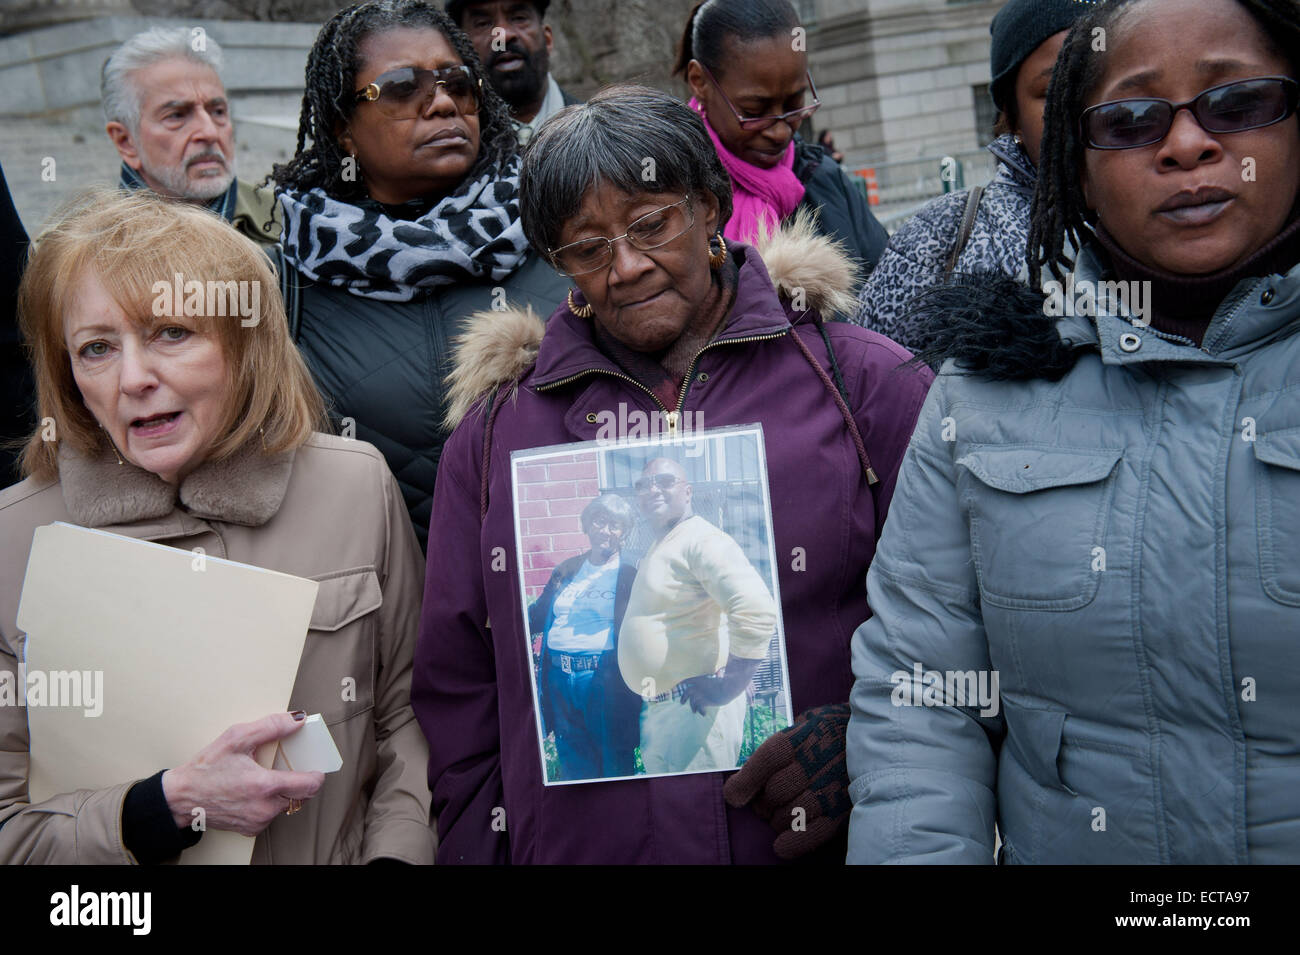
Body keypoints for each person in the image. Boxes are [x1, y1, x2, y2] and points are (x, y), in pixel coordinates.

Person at [412, 85, 933, 864]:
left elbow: (965, 625)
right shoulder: (496, 433)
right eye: (586, 248)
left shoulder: (863, 383)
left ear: (712, 205)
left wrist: (866, 732)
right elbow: (461, 694)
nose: (625, 266)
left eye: (651, 223)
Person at [846, 0, 1300, 864]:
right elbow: (922, 699)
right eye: (1129, 120)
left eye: (1238, 102)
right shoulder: (981, 391)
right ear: (1071, 167)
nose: (1188, 145)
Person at [0, 188, 434, 865]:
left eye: (171, 333)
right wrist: (159, 808)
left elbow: (407, 719)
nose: (134, 377)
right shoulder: (14, 537)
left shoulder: (357, 485)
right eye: (96, 348)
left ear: (246, 342)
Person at [271, 0, 568, 549]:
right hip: (382, 611)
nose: (442, 104)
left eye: (459, 82)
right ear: (343, 129)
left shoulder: (561, 232)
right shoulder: (281, 284)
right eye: (404, 88)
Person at [852, 0, 1089, 357]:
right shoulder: (936, 236)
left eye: (1101, 83)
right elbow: (870, 385)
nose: (1084, 108)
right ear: (1012, 113)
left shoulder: (1187, 218)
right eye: (1051, 91)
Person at [674, 0, 888, 296]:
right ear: (699, 82)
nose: (779, 131)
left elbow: (890, 302)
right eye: (754, 111)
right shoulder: (670, 196)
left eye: (793, 105)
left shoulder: (823, 179)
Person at [619, 458, 777, 775]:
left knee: (695, 815)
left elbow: (755, 608)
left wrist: (732, 683)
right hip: (667, 711)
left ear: (688, 492)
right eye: (643, 485)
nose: (653, 490)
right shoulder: (664, 543)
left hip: (694, 711)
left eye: (664, 481)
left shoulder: (702, 539)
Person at [102, 27, 281, 246]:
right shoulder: (78, 257)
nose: (210, 133)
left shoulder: (297, 227)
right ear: (126, 142)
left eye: (218, 112)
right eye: (177, 116)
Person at [529, 492, 640, 780]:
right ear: (587, 525)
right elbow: (538, 616)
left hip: (605, 680)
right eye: (599, 522)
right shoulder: (566, 570)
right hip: (559, 679)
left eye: (615, 525)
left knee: (615, 763)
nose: (605, 531)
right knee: (574, 767)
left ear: (624, 533)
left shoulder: (631, 573)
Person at [447, 0, 580, 144]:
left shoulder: (601, 134)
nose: (503, 36)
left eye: (519, 18)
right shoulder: (451, 145)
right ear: (461, 51)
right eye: (483, 23)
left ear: (547, 39)